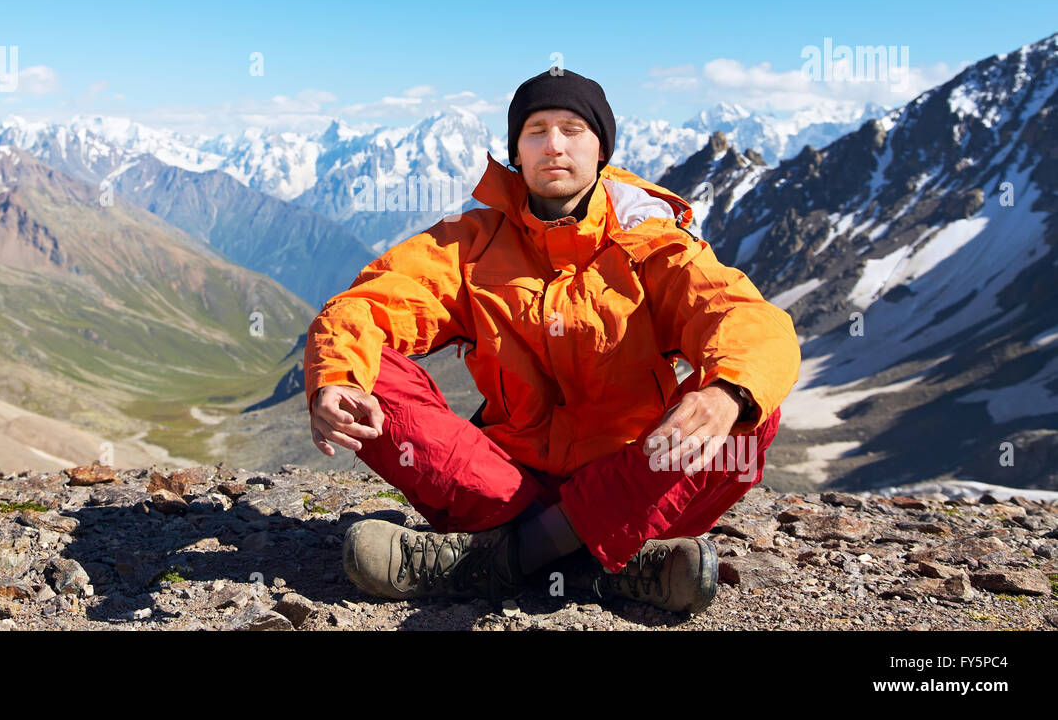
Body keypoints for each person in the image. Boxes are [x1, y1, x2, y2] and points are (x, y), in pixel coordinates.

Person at [304, 69, 801, 615]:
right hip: (502, 483)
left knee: (752, 404)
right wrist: (336, 379)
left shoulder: (654, 245)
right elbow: (368, 305)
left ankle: (497, 560)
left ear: (601, 148)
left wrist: (726, 393)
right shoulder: (472, 243)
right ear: (516, 150)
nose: (554, 145)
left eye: (572, 128)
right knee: (360, 365)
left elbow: (743, 315)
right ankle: (607, 564)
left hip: (632, 480)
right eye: (536, 131)